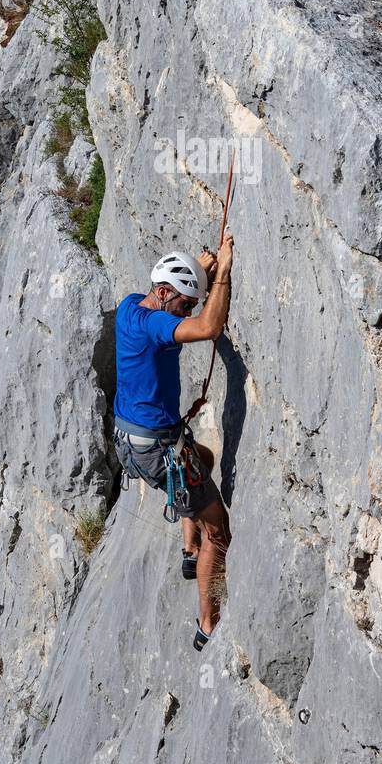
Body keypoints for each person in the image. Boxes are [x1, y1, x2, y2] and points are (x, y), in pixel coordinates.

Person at [113, 241, 234, 651]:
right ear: (164, 293)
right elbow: (208, 328)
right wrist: (221, 276)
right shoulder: (154, 326)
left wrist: (197, 273)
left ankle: (188, 548)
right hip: (157, 448)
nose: (186, 313)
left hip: (133, 442)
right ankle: (208, 623)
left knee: (203, 458)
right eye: (184, 304)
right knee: (218, 531)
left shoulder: (131, 306)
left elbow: (178, 307)